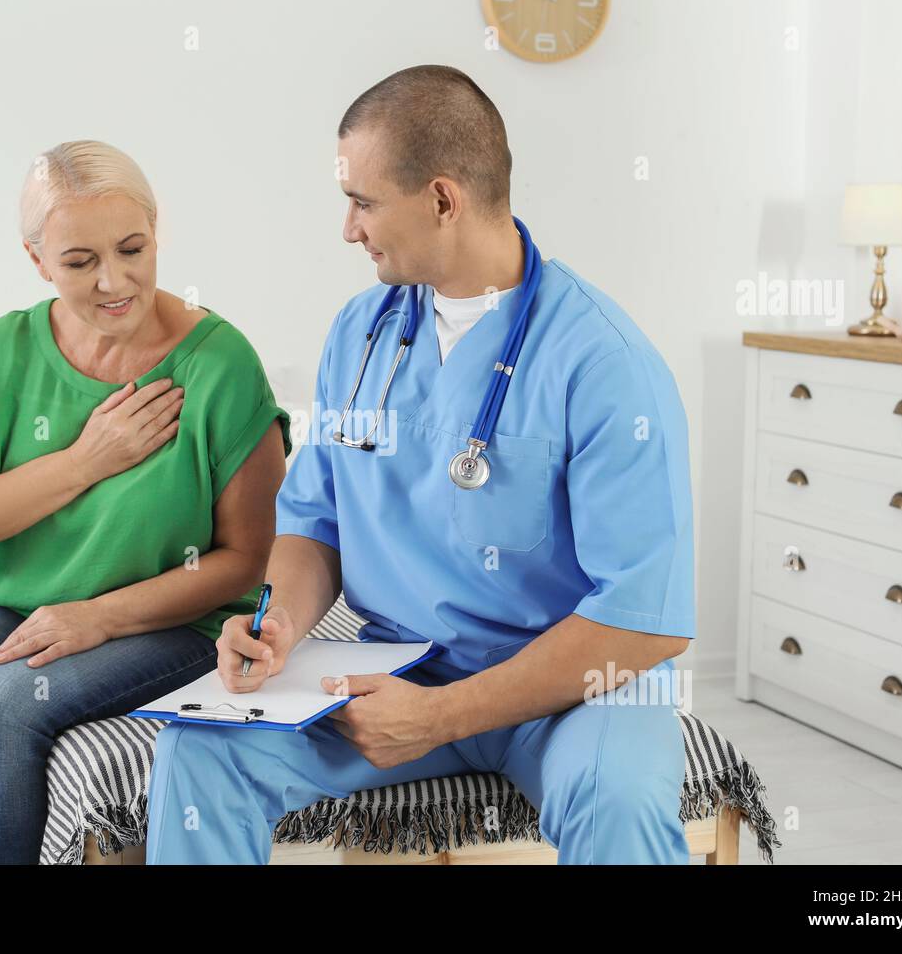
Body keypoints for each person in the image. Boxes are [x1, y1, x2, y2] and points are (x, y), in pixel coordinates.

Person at [145, 66, 696, 865]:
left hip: (574, 692)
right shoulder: (361, 334)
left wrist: (443, 719)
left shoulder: (604, 363)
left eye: (363, 202)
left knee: (620, 804)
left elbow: (641, 621)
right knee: (201, 755)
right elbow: (314, 522)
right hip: (395, 667)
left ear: (442, 199)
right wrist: (283, 625)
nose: (347, 228)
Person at [0, 140, 290, 863]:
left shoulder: (221, 364)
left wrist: (97, 616)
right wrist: (87, 460)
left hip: (174, 621)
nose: (114, 281)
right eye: (80, 262)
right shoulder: (5, 350)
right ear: (37, 261)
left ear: (157, 230)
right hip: (15, 605)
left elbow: (247, 563)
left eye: (132, 248)